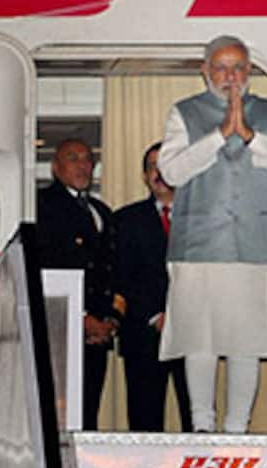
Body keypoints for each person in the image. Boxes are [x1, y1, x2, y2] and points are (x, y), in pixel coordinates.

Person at [157, 35, 267, 433]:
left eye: (238, 67)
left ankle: (237, 427)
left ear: (249, 73)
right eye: (221, 68)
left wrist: (252, 137)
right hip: (198, 246)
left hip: (255, 245)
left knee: (248, 341)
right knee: (199, 338)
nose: (230, 77)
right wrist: (219, 136)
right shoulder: (183, 113)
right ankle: (202, 425)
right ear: (205, 71)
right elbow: (170, 172)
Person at [36, 138, 122, 431]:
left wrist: (111, 320)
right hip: (63, 327)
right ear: (55, 167)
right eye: (73, 158)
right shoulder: (42, 206)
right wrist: (82, 318)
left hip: (98, 332)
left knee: (88, 413)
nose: (83, 165)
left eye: (88, 159)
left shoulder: (102, 211)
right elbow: (47, 266)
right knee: (60, 414)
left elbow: (113, 271)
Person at [113, 142, 194, 432]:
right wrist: (155, 314)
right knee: (144, 424)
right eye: (151, 167)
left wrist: (182, 315)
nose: (158, 173)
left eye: (165, 165)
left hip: (193, 334)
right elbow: (123, 276)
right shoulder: (124, 219)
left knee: (197, 422)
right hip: (143, 335)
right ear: (144, 175)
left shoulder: (202, 219)